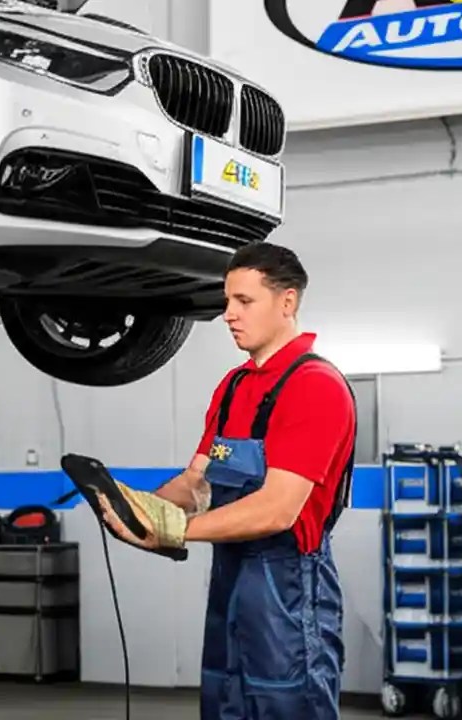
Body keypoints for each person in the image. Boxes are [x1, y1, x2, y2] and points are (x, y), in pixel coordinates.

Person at [95, 242, 358, 720]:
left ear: (287, 302)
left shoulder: (314, 386)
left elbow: (278, 509)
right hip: (231, 580)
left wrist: (176, 530)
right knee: (225, 704)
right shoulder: (234, 386)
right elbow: (198, 481)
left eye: (244, 301)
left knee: (286, 706)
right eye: (226, 301)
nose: (228, 315)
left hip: (290, 588)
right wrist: (142, 508)